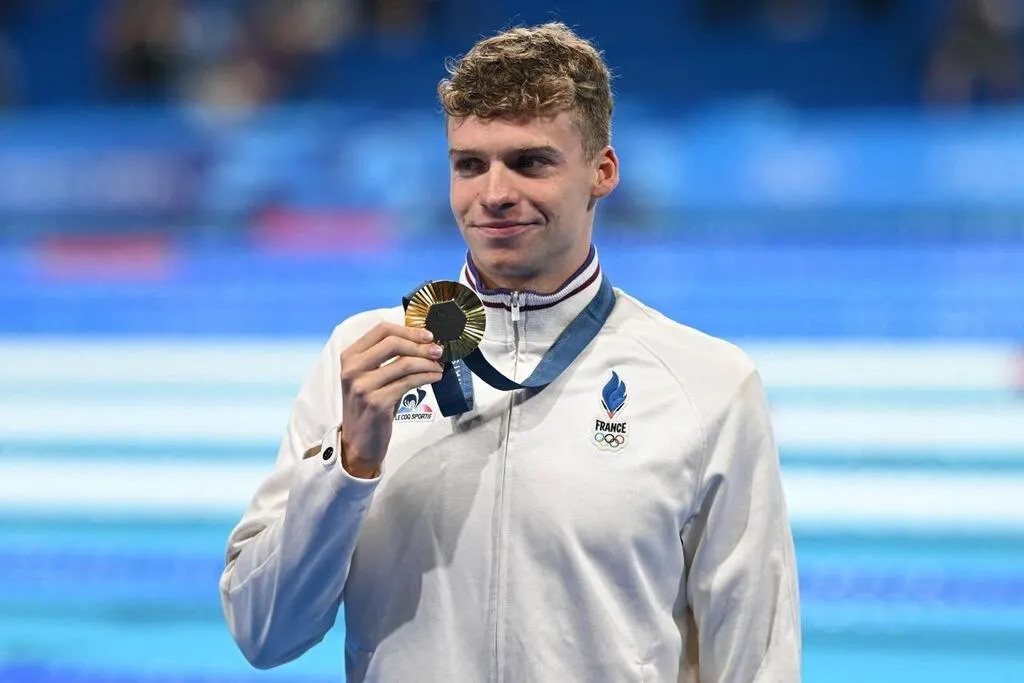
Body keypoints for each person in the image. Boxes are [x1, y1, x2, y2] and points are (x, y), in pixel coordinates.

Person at [219, 22, 801, 683]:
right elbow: (263, 633)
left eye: (530, 162)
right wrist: (349, 463)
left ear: (602, 172)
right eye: (469, 164)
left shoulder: (707, 383)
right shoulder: (362, 361)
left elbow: (756, 661)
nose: (493, 194)